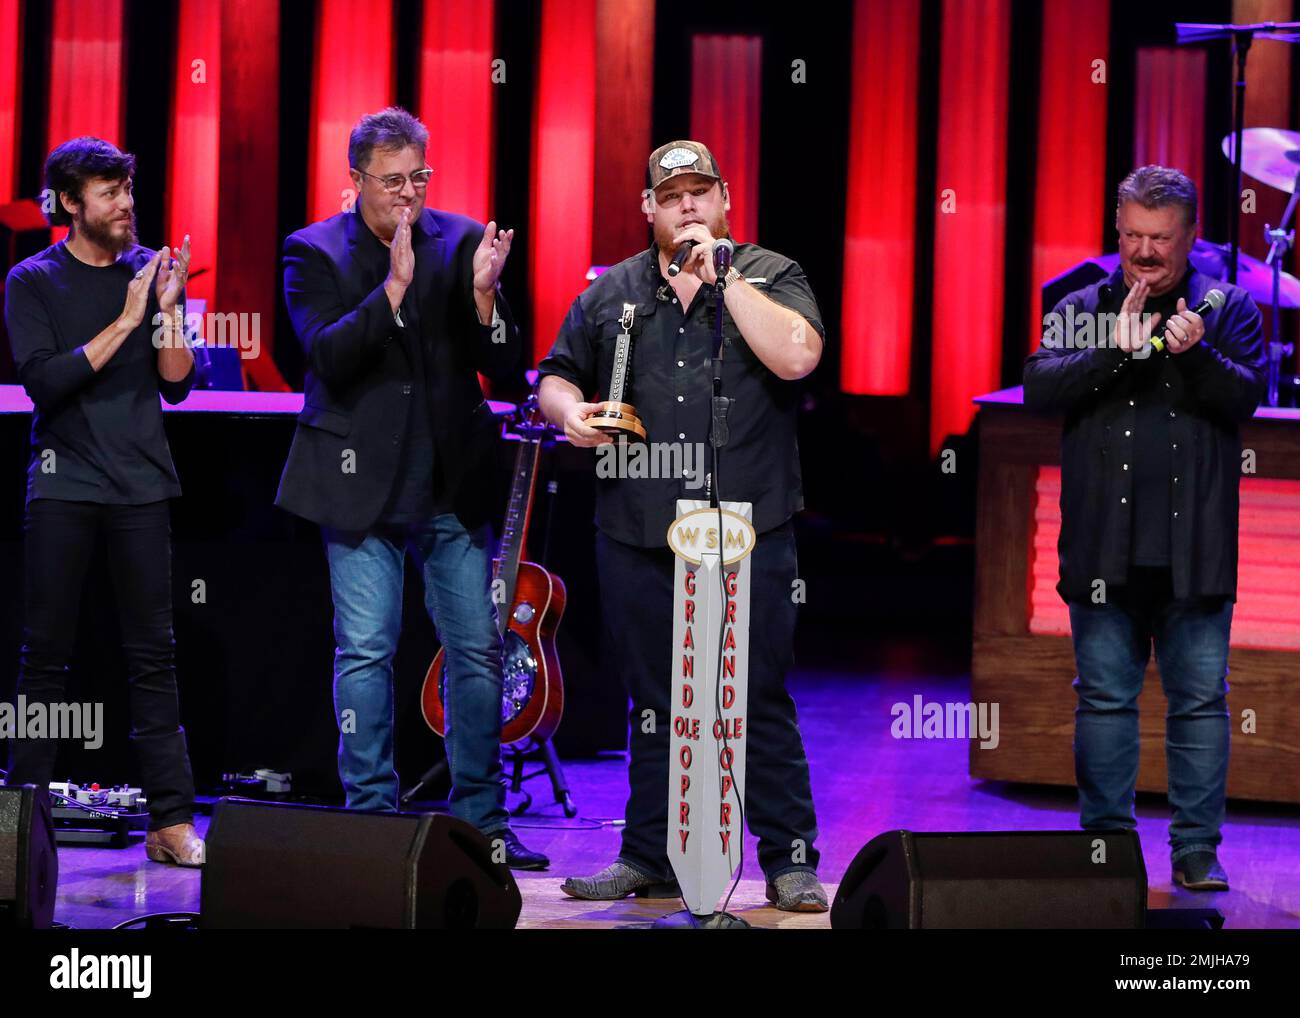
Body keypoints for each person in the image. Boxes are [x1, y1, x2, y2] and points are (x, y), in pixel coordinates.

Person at [538, 140, 827, 910]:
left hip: (750, 523)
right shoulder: (615, 292)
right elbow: (556, 371)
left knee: (756, 692)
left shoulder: (770, 273)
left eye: (702, 193)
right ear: (649, 209)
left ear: (725, 199)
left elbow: (799, 357)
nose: (689, 206)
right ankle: (650, 855)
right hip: (638, 524)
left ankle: (790, 858)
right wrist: (571, 414)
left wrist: (723, 277)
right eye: (673, 197)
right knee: (653, 698)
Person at [276, 107, 546, 869]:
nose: (408, 195)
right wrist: (392, 290)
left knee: (477, 651)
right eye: (392, 182)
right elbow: (327, 357)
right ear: (355, 180)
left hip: (451, 484)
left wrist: (487, 299)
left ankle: (481, 824)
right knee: (365, 652)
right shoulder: (311, 250)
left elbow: (507, 363)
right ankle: (370, 818)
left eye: (419, 178)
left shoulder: (460, 240)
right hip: (357, 489)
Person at [1024, 165, 1266, 890]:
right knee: (1102, 699)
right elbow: (1040, 386)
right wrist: (1113, 352)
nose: (1145, 253)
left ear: (1190, 237)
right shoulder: (1080, 304)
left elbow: (1247, 398)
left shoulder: (1229, 310)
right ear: (1117, 229)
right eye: (1132, 235)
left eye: (1160, 238)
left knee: (1198, 702)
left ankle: (1195, 852)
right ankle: (1107, 851)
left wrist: (1196, 358)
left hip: (1195, 551)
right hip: (1103, 547)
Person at [3, 137, 203, 866]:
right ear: (68, 203)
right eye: (109, 192)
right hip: (64, 485)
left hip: (143, 487)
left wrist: (169, 309)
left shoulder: (152, 274)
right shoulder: (32, 281)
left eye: (128, 188)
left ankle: (172, 823)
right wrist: (126, 315)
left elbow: (178, 382)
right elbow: (47, 382)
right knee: (45, 659)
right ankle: (19, 830)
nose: (126, 204)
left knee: (155, 656)